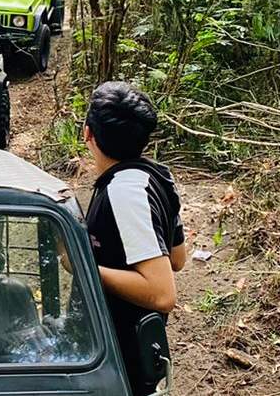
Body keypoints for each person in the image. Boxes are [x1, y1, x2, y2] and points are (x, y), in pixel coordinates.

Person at [81, 81, 186, 395]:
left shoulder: (125, 192)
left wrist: (84, 266)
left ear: (87, 134)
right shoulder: (155, 176)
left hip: (121, 358)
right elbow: (177, 258)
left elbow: (162, 293)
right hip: (133, 350)